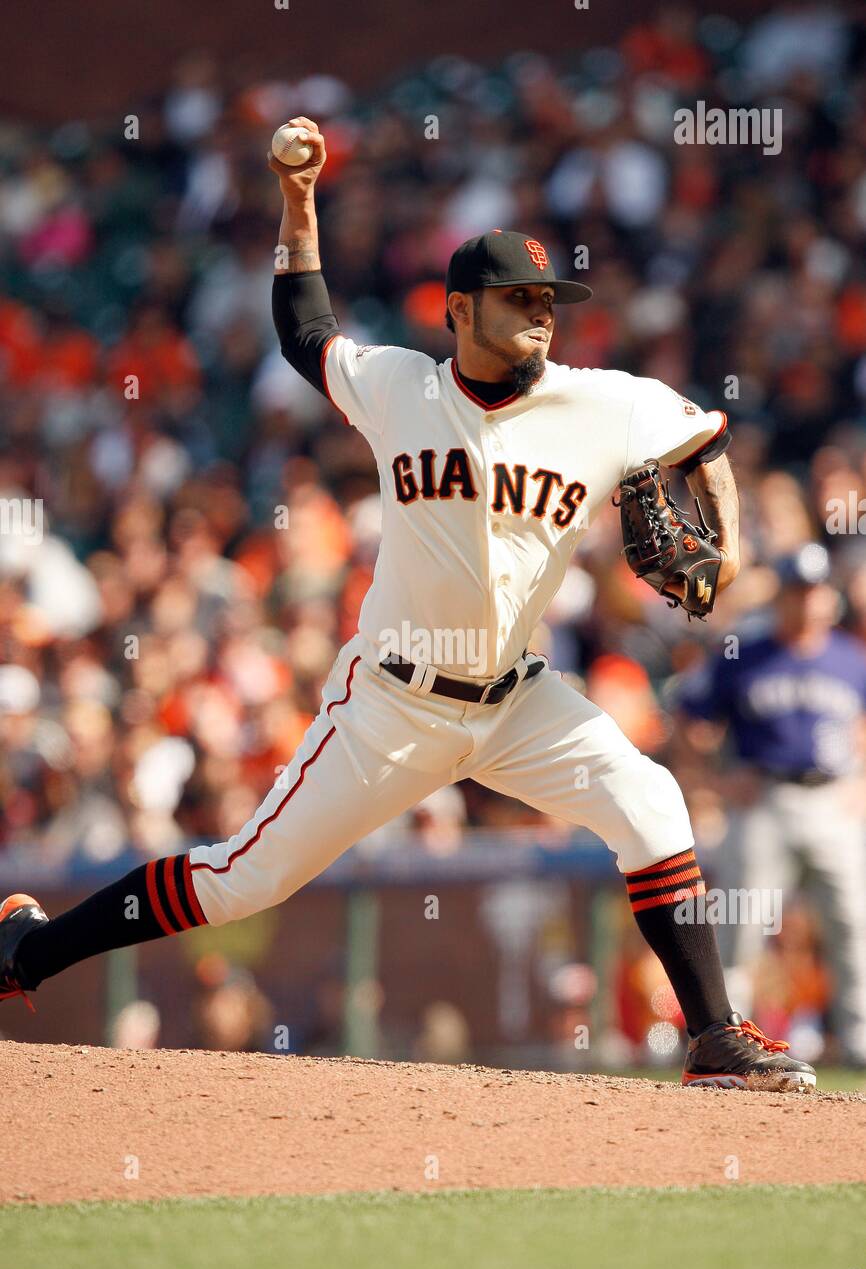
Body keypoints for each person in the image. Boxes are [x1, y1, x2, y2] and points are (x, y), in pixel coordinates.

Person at [0, 117, 816, 1091]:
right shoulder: (396, 386)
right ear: (458, 310)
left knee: (651, 802)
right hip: (390, 702)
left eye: (549, 299)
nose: (542, 314)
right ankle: (25, 949)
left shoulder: (607, 402)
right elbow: (303, 327)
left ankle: (713, 1038)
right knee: (243, 878)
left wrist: (718, 553)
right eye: (518, 299)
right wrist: (299, 200)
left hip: (520, 702)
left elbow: (705, 445)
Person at [678, 542, 866, 1067]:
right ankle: (726, 1041)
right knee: (742, 927)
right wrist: (715, 777)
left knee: (852, 924)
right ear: (781, 597)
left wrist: (861, 781)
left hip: (834, 802)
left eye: (815, 592)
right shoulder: (746, 653)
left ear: (828, 598)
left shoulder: (852, 658)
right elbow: (691, 716)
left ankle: (859, 1043)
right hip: (765, 801)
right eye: (797, 592)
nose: (807, 603)